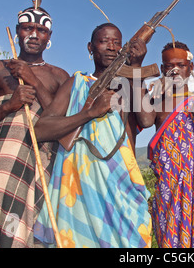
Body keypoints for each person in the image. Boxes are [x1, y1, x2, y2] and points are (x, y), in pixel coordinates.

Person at [33, 23, 152, 248]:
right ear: (90, 47)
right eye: (104, 41)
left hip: (120, 185)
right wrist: (90, 113)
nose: (111, 47)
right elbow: (41, 129)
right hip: (78, 188)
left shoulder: (128, 84)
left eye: (117, 43)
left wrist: (137, 67)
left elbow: (146, 119)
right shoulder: (76, 83)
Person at [0, 6, 70, 247]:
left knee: (27, 233)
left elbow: (63, 126)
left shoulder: (60, 76)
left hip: (40, 169)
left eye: (41, 30)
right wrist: (7, 107)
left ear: (49, 37)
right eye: (28, 28)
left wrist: (33, 79)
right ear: (17, 31)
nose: (34, 34)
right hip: (1, 168)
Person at [141, 41, 194, 248]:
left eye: (181, 64)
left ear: (191, 67)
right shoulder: (155, 105)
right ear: (162, 69)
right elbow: (143, 121)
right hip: (168, 195)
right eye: (169, 66)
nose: (175, 70)